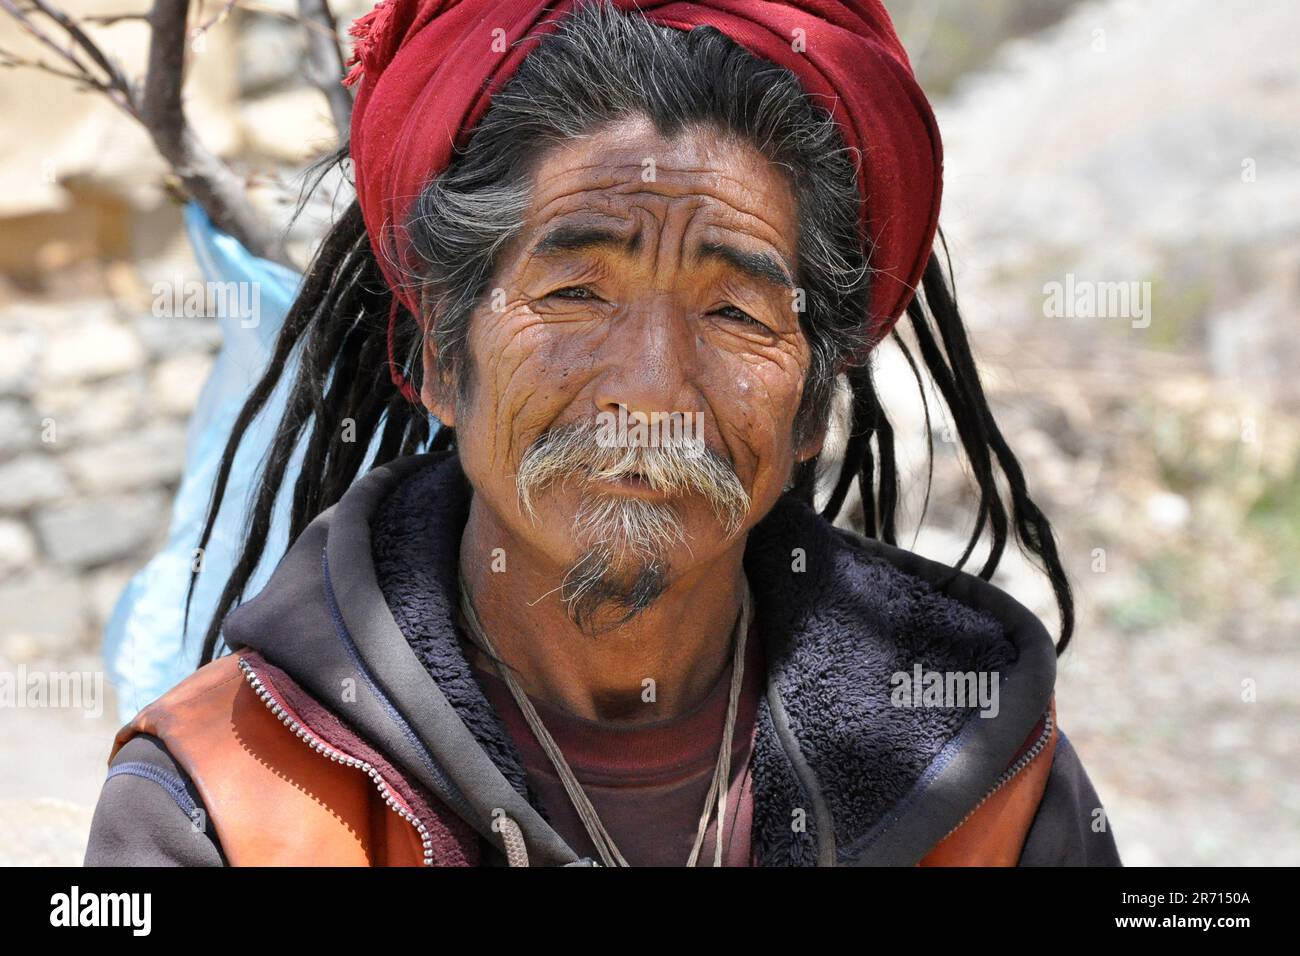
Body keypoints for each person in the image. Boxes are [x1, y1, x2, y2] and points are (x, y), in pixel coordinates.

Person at [84, 0, 1121, 867]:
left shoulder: (982, 780)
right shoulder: (229, 799)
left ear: (809, 405)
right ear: (441, 357)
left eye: (733, 313)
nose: (652, 390)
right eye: (577, 292)